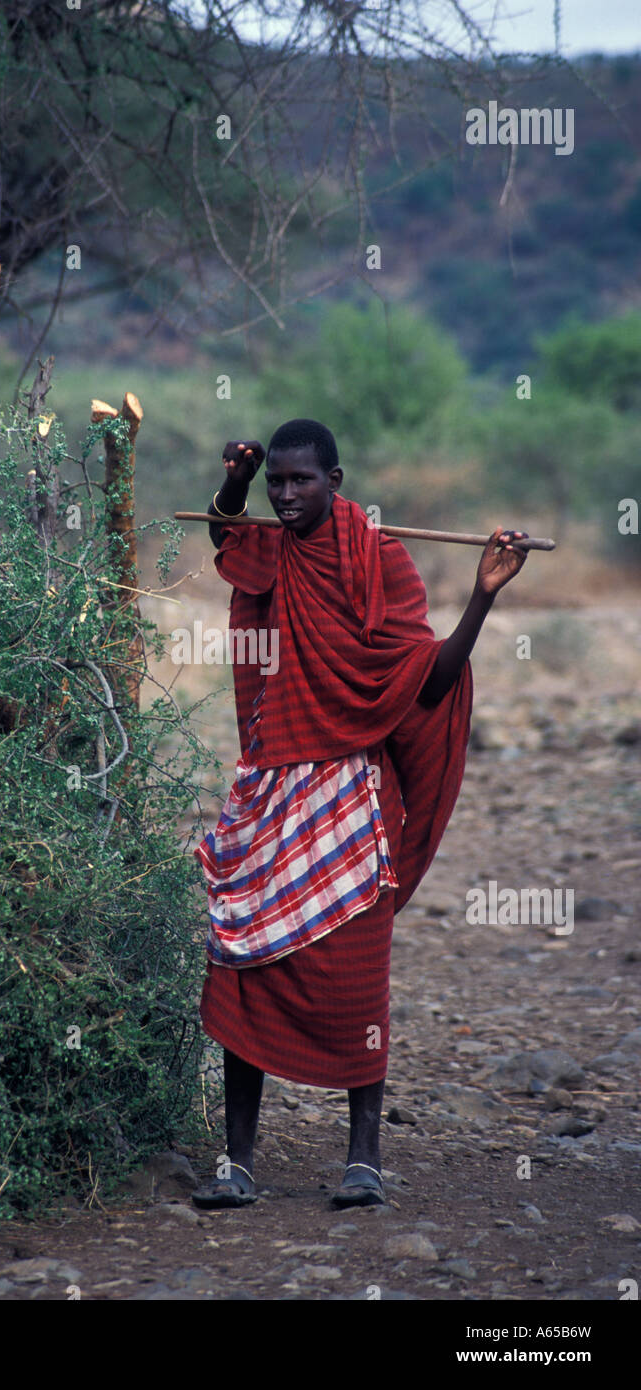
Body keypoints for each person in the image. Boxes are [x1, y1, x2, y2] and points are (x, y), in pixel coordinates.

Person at [191, 418, 529, 1210]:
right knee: (246, 959)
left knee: (356, 974)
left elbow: (430, 680)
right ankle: (238, 1164)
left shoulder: (382, 560)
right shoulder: (271, 549)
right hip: (275, 788)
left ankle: (364, 1158)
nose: (285, 494)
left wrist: (481, 598)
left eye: (299, 481)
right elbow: (225, 536)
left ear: (335, 483)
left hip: (352, 795)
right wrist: (236, 481)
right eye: (276, 482)